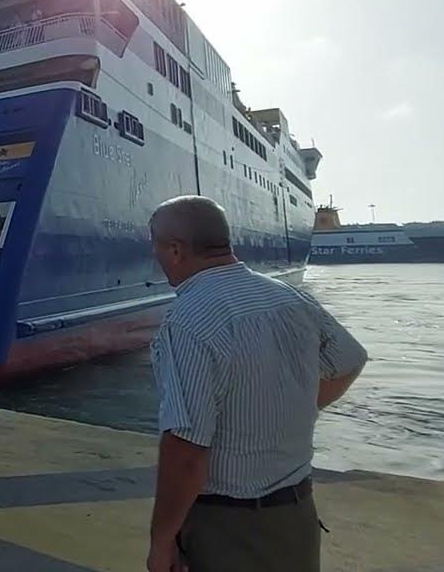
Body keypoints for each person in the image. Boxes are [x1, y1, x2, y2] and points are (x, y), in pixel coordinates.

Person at [144, 196, 368, 572]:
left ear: (176, 250)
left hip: (229, 529)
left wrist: (161, 541)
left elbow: (186, 450)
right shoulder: (289, 297)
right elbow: (350, 359)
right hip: (296, 517)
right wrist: (295, 408)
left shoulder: (186, 322)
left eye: (157, 247)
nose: (157, 258)